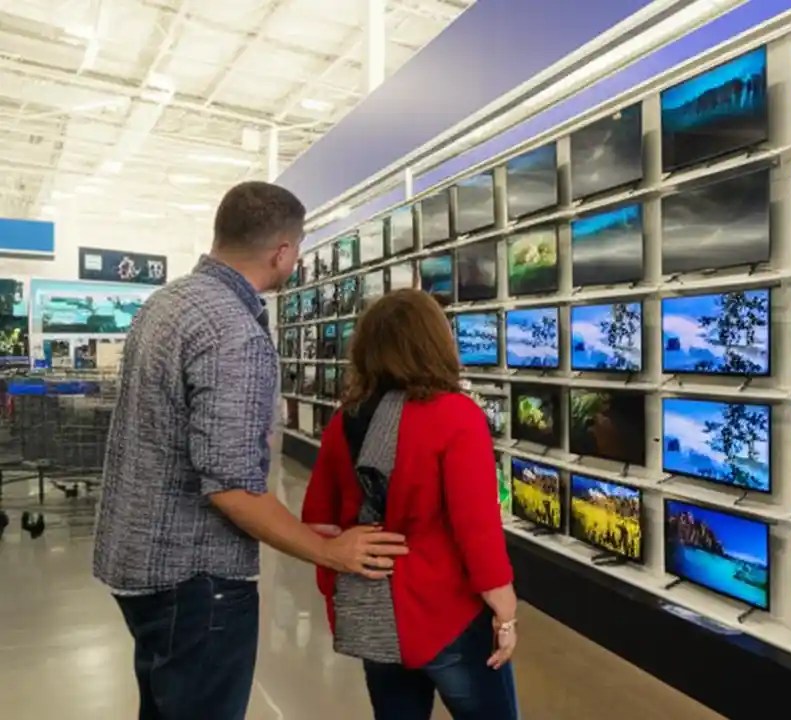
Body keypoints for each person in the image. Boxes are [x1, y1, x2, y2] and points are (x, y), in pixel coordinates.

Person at [93, 181, 409, 720]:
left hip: (138, 562)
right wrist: (325, 549)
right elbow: (232, 488)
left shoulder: (164, 303)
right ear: (282, 252)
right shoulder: (233, 332)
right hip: (195, 580)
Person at [302, 289, 519, 720]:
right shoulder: (456, 416)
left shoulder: (344, 420)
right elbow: (477, 529)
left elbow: (319, 523)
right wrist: (505, 611)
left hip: (374, 617)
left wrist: (338, 589)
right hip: (447, 616)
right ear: (435, 342)